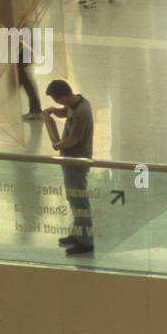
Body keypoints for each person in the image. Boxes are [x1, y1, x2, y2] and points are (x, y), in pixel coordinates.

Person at [44, 79, 94, 255]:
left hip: (76, 161)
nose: (57, 104)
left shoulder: (82, 113)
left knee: (79, 200)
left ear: (64, 96)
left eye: (57, 100)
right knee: (73, 198)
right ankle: (77, 233)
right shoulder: (78, 102)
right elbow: (66, 111)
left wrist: (58, 145)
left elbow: (73, 140)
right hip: (71, 160)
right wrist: (54, 111)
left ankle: (86, 240)